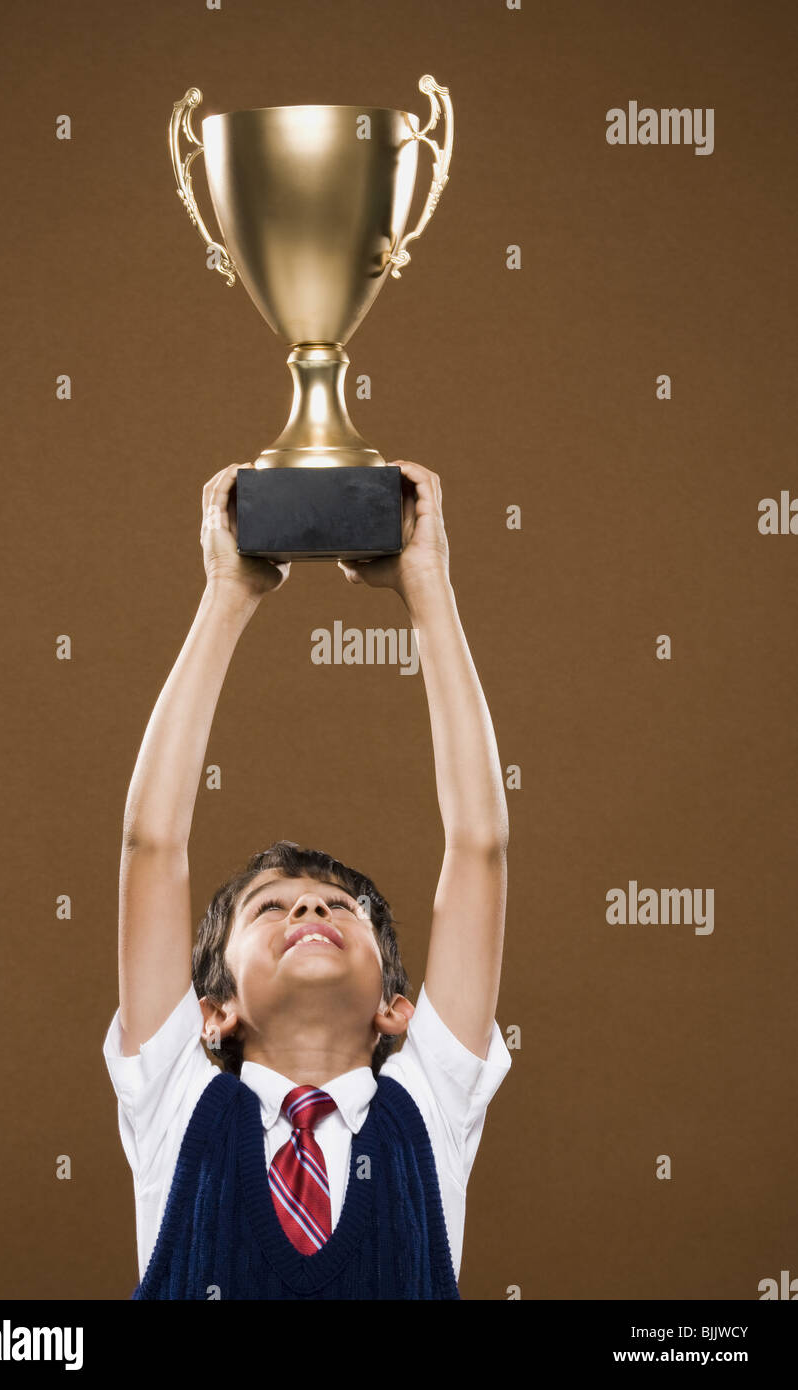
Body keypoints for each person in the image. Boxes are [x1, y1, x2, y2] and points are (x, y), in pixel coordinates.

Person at [103, 459, 512, 1299]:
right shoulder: (175, 1103)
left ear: (396, 1008)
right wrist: (228, 595)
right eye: (272, 907)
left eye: (338, 906)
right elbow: (152, 844)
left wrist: (427, 587)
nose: (311, 908)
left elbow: (478, 845)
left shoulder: (429, 1105)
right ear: (212, 1013)